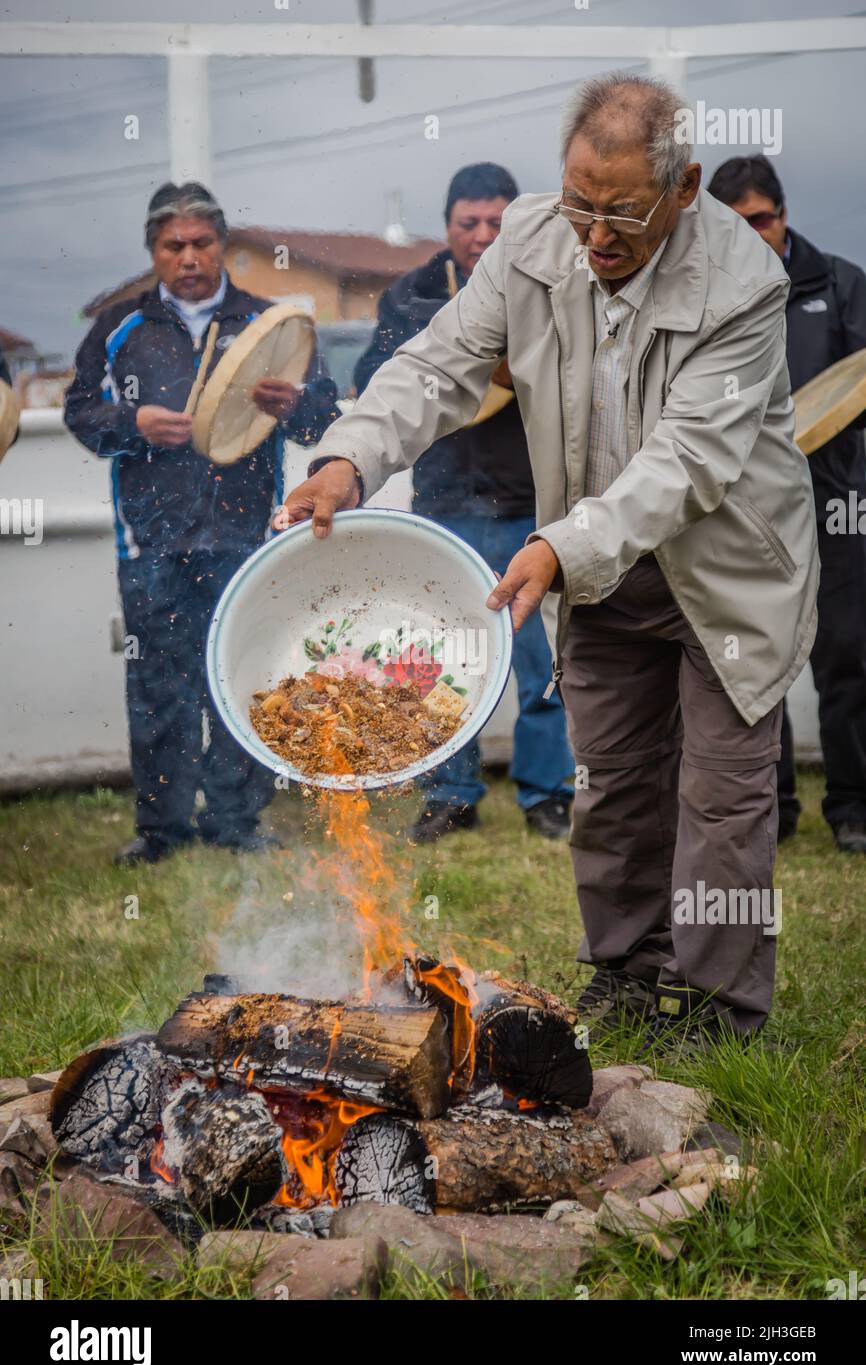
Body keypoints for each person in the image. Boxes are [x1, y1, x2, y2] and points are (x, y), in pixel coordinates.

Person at [274, 72, 819, 1057]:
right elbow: (439, 364)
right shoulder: (530, 243)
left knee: (720, 804)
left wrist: (556, 544)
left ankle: (715, 1015)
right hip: (598, 570)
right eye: (577, 202)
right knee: (611, 782)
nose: (592, 235)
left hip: (727, 571)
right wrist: (347, 457)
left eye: (619, 213)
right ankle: (625, 971)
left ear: (685, 187)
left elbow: (684, 463)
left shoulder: (742, 285)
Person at [65, 182, 340, 864]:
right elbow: (79, 412)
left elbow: (323, 416)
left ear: (221, 245)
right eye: (173, 245)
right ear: (153, 252)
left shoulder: (268, 324)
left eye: (201, 242)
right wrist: (133, 423)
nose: (188, 256)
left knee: (245, 680)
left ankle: (236, 821)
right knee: (159, 684)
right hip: (151, 539)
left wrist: (292, 403)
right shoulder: (118, 328)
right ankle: (162, 830)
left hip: (247, 536)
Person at [354, 163, 575, 842]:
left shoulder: (549, 287)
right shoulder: (413, 292)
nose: (482, 236)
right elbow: (372, 378)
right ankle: (451, 793)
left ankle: (547, 794)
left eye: (497, 223)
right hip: (445, 510)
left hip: (531, 507)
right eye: (468, 223)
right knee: (440, 660)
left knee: (542, 662)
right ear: (446, 225)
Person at [708, 155, 866, 854]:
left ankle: (854, 806)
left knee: (847, 655)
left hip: (835, 506)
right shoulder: (707, 297)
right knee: (758, 662)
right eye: (733, 226)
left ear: (783, 214)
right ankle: (771, 807)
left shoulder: (840, 284)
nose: (750, 236)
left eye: (760, 220)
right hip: (747, 511)